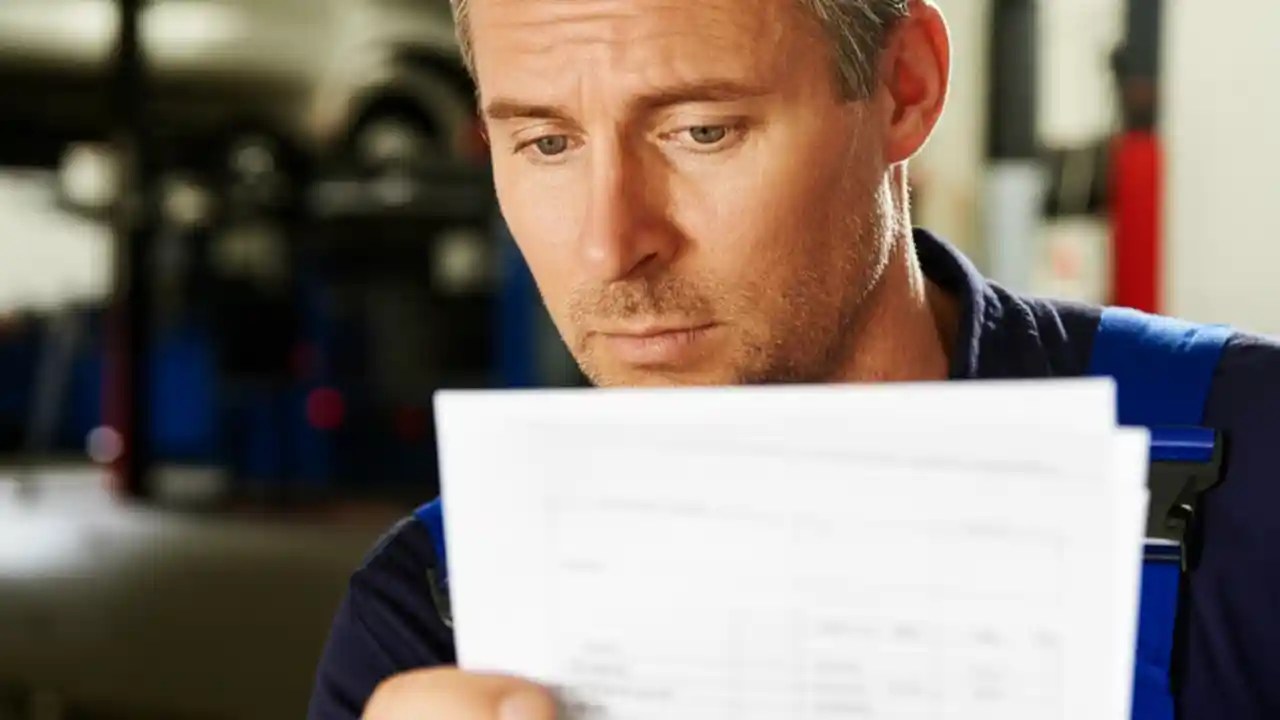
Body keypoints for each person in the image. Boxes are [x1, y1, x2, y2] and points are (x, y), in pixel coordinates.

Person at [307, 0, 1280, 718]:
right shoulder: (434, 619)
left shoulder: (1256, 471)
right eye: (547, 143)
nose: (608, 246)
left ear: (903, 88)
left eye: (700, 131)